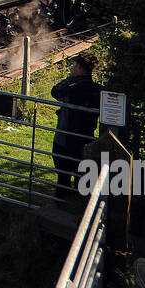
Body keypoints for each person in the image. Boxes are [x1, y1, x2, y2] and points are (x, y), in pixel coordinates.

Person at [50, 53, 104, 200]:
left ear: (80, 68)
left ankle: (62, 201)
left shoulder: (71, 87)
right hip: (85, 139)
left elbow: (55, 91)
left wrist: (70, 78)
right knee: (82, 177)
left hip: (65, 138)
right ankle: (79, 204)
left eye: (74, 65)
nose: (71, 67)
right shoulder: (98, 90)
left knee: (63, 176)